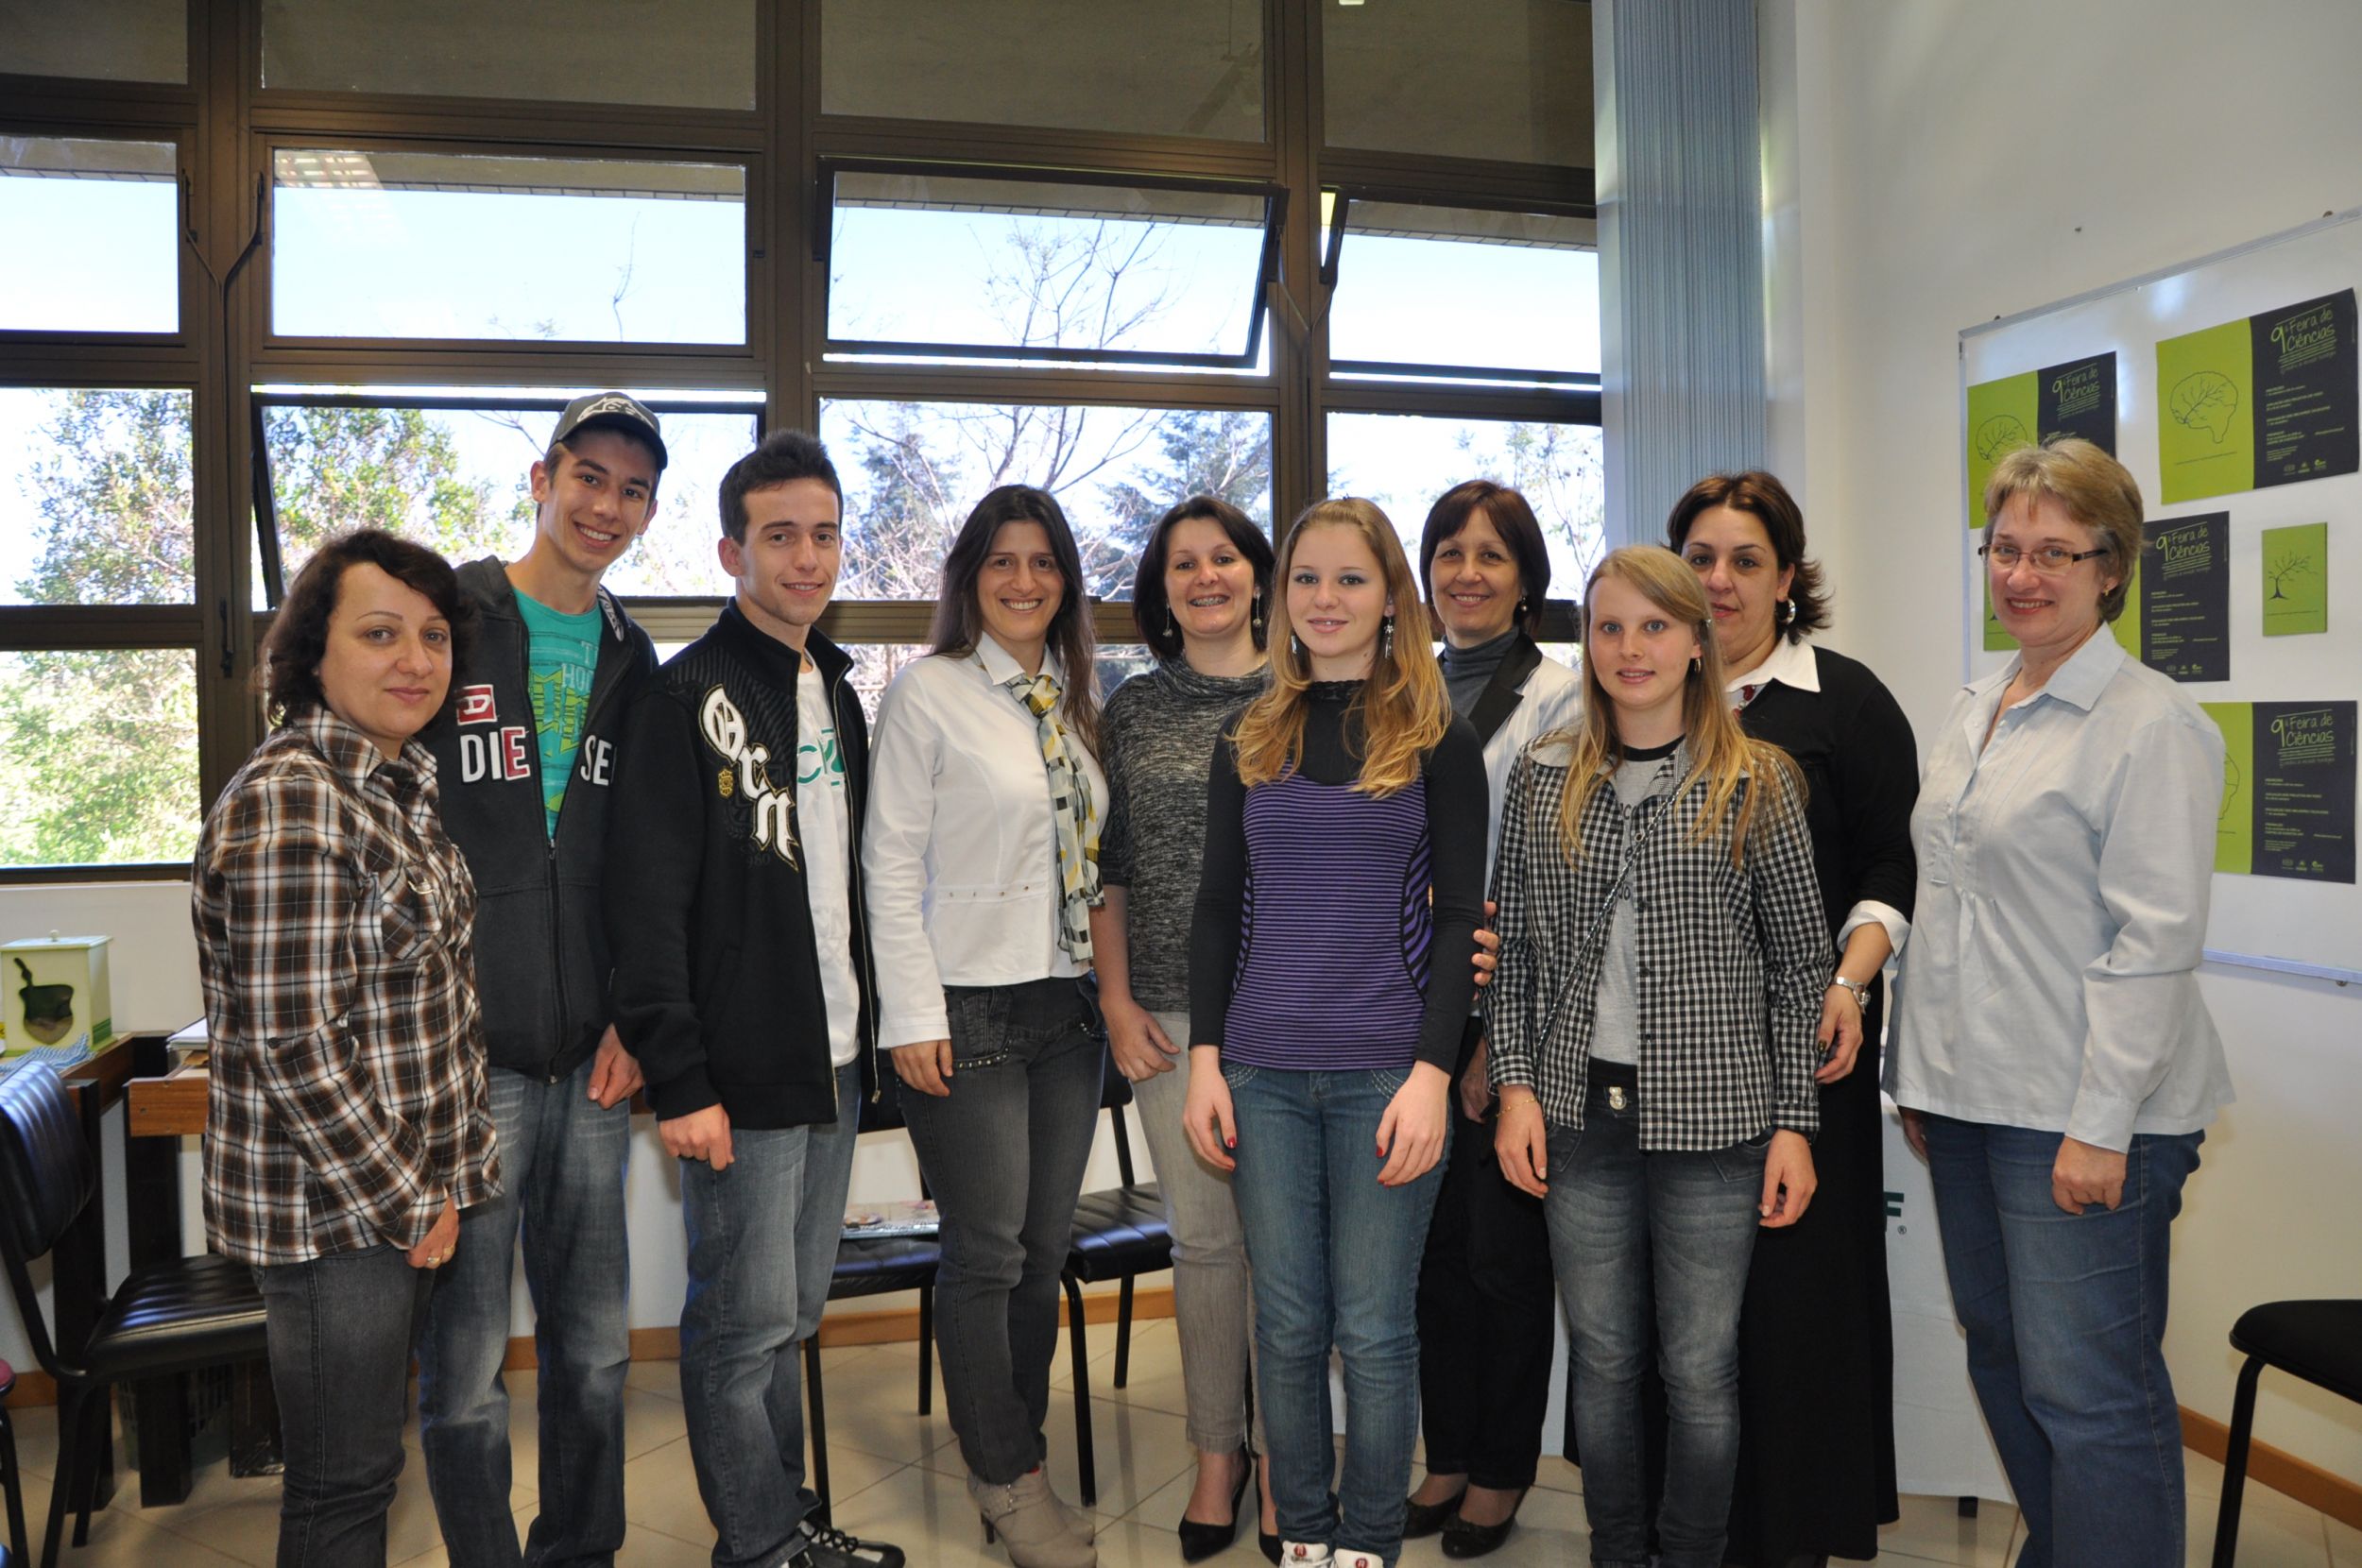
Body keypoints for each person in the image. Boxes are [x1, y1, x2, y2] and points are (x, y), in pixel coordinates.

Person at [1888, 436, 2233, 1568]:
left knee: (2090, 1389)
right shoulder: (1975, 704)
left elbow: (2154, 941)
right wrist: (1919, 1075)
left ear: (2109, 567)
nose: (2021, 573)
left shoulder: (2151, 724)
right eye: (2005, 548)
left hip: (2088, 1112)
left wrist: (2100, 1124)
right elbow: (1947, 906)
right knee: (2002, 1353)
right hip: (1974, 1100)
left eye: (2054, 552)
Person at [1488, 545, 1829, 1568]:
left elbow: (1800, 966)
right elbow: (1513, 965)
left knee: (1699, 1370)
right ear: (1584, 643)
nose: (1628, 647)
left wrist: (1795, 1127)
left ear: (1696, 642)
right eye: (1606, 626)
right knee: (1600, 1362)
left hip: (1717, 1127)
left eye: (1653, 626)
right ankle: (1616, 1551)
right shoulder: (1543, 779)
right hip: (1575, 1118)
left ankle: (1687, 1555)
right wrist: (1511, 1087)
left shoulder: (1758, 779)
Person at [605, 430, 907, 1568]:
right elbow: (645, 907)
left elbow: (843, 884)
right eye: (779, 535)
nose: (806, 557)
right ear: (732, 548)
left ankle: (785, 1521)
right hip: (736, 1071)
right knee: (738, 1327)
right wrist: (680, 1075)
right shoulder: (680, 695)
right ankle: (761, 1544)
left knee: (787, 1320)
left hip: (828, 1056)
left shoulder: (832, 685)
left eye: (823, 534)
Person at [1184, 497, 1486, 1568]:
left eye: (1350, 578)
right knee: (1286, 1325)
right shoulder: (1251, 732)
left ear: (1389, 595)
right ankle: (1301, 1536)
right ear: (1282, 596)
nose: (1325, 598)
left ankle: (1366, 1544)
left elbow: (1459, 917)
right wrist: (1206, 1062)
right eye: (1307, 577)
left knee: (1373, 1328)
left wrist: (1430, 1074)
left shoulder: (1436, 734)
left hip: (1382, 1077)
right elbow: (1217, 907)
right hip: (1260, 1072)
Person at [193, 528, 500, 1567]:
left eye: (432, 635)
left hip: (392, 1201)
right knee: (342, 1486)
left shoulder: (391, 785)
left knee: (362, 1471)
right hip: (341, 1217)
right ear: (311, 653)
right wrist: (416, 1196)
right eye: (379, 633)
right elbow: (296, 1047)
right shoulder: (295, 799)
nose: (415, 659)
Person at [415, 391, 663, 1568]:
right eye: (590, 477)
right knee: (463, 1365)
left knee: (596, 1351)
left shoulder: (632, 653)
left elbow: (643, 863)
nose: (607, 506)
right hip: (471, 1064)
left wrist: (636, 1016)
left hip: (595, 1064)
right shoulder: (450, 615)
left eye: (632, 490)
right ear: (541, 478)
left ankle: (581, 1551)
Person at [1666, 470, 1916, 1565]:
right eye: (1700, 558)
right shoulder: (1642, 688)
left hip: (1809, 1050)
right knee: (1683, 1317)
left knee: (1799, 1305)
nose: (1718, 581)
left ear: (1786, 579)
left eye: (1745, 560)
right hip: (1671, 1063)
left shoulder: (1846, 701)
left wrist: (1846, 983)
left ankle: (1791, 1536)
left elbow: (1887, 869)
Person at [864, 486, 1109, 1568]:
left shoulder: (1072, 699)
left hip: (1066, 1009)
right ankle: (1006, 1481)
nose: (1024, 581)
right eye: (1002, 561)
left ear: (1064, 581)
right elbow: (889, 862)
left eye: (1043, 562)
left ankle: (1020, 1453)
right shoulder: (930, 693)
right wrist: (912, 1015)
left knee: (1042, 1249)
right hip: (964, 1009)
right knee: (987, 1250)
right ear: (970, 577)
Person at [1090, 497, 1281, 1563]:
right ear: (1160, 592)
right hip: (1166, 1012)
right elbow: (1105, 872)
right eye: (1181, 565)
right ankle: (1220, 1455)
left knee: (1293, 1252)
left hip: (1299, 1011)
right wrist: (1115, 1004)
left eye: (1222, 558)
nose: (1204, 577)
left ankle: (1285, 1448)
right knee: (1207, 1245)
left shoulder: (1310, 695)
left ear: (1258, 574)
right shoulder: (1133, 708)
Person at [1401, 481, 1582, 1559]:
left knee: (1502, 1259)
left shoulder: (1559, 697)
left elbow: (1548, 873)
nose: (1466, 571)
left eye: (1492, 555)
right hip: (1403, 1013)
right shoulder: (1401, 687)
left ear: (1525, 580)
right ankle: (1448, 1451)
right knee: (1421, 1260)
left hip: (1504, 1016)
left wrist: (1493, 1037)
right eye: (1448, 551)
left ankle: (1503, 1469)